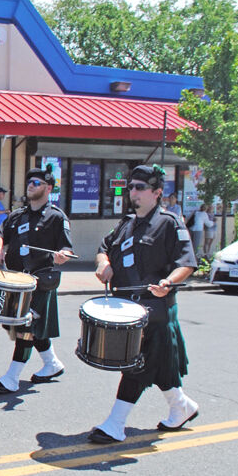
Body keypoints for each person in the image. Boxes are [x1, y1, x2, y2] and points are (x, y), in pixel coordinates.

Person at [90, 164, 198, 444]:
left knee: (135, 365)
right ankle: (181, 407)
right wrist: (105, 265)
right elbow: (104, 248)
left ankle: (115, 424)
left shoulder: (170, 223)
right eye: (131, 187)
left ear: (157, 193)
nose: (132, 192)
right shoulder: (126, 224)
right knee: (157, 365)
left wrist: (168, 284)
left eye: (140, 188)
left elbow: (186, 263)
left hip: (155, 309)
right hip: (126, 308)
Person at [0, 166, 74, 393]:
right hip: (16, 281)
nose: (31, 185)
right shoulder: (17, 215)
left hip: (39, 281)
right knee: (27, 327)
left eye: (37, 183)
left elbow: (66, 247)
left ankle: (11, 378)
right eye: (30, 182)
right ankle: (52, 364)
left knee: (27, 328)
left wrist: (62, 255)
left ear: (49, 188)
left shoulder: (56, 217)